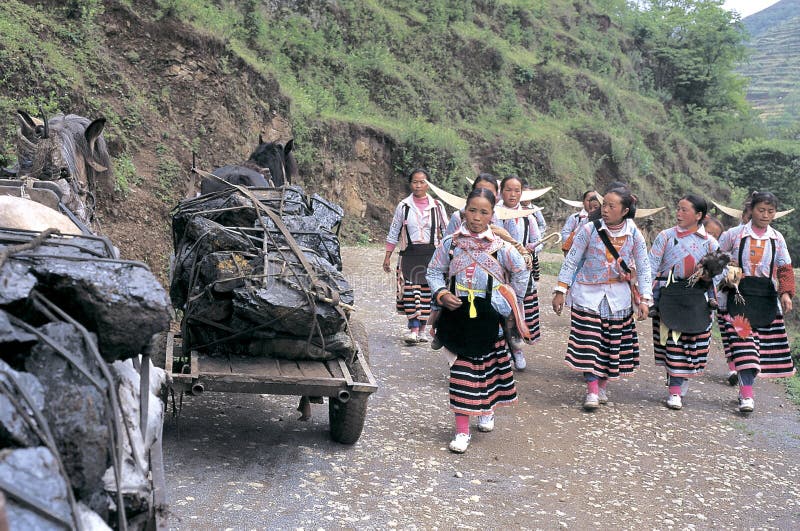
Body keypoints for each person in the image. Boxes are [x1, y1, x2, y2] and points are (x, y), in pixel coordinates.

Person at [427, 188, 529, 453]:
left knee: (489, 371)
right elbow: (434, 271)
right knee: (461, 372)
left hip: (490, 319)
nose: (476, 217)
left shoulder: (502, 248)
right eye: (472, 210)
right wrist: (441, 292)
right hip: (457, 318)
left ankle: (487, 410)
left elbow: (521, 273)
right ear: (464, 211)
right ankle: (462, 431)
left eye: (483, 212)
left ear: (492, 215)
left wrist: (508, 304)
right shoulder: (450, 244)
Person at [551, 185, 652, 410]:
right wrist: (561, 290)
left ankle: (603, 386)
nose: (604, 209)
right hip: (588, 295)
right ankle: (592, 390)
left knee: (610, 344)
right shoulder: (588, 230)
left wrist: (645, 299)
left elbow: (644, 267)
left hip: (618, 298)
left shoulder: (634, 234)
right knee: (589, 343)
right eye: (604, 204)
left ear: (624, 210)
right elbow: (572, 261)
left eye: (611, 206)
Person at [716, 191, 795, 412]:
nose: (766, 215)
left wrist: (786, 294)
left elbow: (784, 268)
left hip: (765, 300)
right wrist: (728, 270)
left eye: (770, 211)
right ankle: (746, 396)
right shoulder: (734, 235)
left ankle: (746, 390)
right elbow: (716, 258)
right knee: (745, 347)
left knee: (757, 349)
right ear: (751, 210)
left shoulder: (777, 239)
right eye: (761, 210)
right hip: (738, 299)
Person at [648, 195, 719, 410]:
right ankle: (675, 390)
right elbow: (651, 265)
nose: (678, 213)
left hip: (697, 299)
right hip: (669, 297)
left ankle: (678, 380)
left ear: (698, 215)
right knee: (673, 342)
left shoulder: (710, 243)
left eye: (684, 210)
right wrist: (645, 296)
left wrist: (707, 274)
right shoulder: (666, 237)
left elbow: (719, 274)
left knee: (690, 343)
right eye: (678, 209)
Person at [383, 168, 448, 345]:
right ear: (410, 184)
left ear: (428, 184)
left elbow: (447, 231)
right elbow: (394, 231)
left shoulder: (437, 206)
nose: (418, 185)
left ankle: (421, 331)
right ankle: (412, 328)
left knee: (427, 293)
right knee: (410, 293)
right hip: (409, 255)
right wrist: (387, 256)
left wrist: (450, 254)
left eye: (422, 182)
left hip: (431, 256)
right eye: (415, 182)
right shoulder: (403, 206)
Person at [496, 175, 543, 370]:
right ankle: (500, 353)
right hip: (498, 270)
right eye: (508, 189)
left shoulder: (528, 216)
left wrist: (530, 249)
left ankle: (516, 349)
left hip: (521, 273)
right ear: (501, 191)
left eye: (517, 190)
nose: (513, 194)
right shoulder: (494, 213)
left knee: (517, 309)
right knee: (497, 309)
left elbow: (537, 241)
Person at [561, 190, 601, 255]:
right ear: (583, 202)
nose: (592, 210)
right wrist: (572, 246)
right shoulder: (576, 217)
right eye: (589, 200)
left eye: (595, 207)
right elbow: (565, 233)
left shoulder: (604, 222)